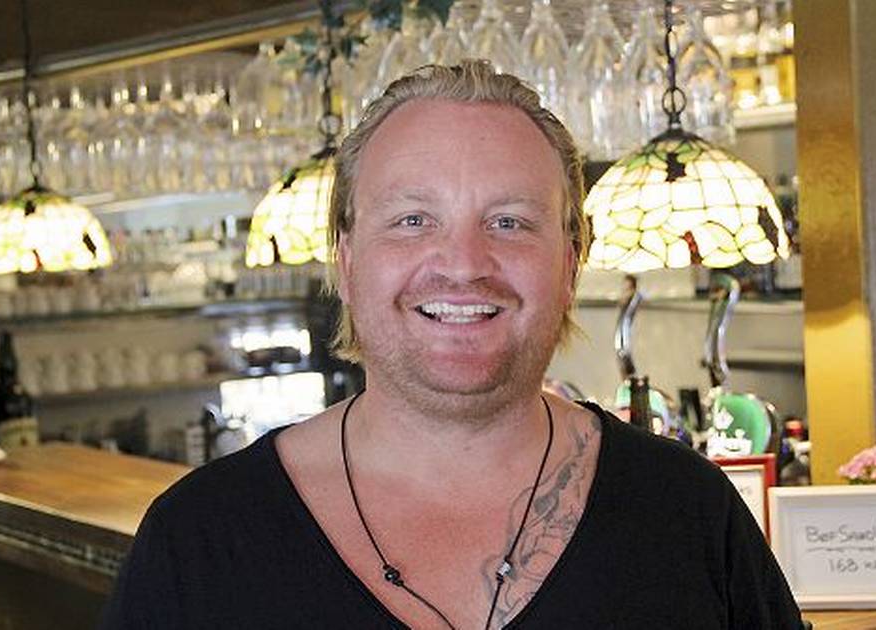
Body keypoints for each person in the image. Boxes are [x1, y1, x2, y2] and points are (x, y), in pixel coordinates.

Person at [103, 59, 803, 629]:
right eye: (412, 219)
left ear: (570, 264)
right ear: (346, 261)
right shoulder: (198, 538)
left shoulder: (691, 514)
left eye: (509, 222)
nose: (464, 264)